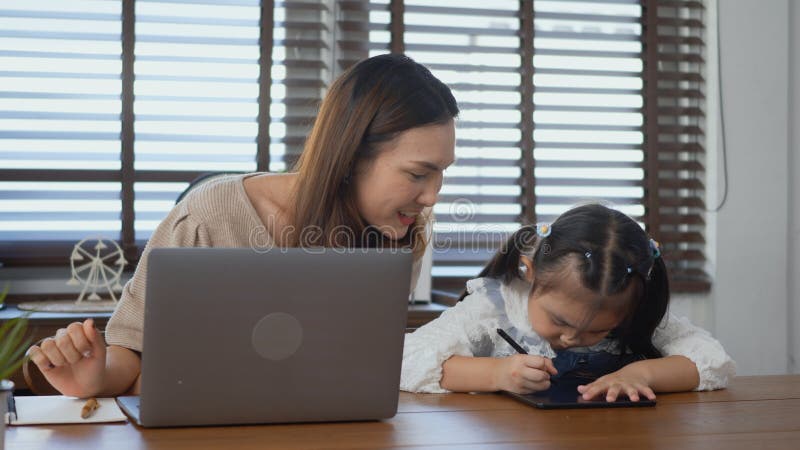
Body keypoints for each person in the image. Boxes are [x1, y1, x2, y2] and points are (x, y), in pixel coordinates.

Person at [26, 54, 459, 398]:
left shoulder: (402, 233)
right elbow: (133, 351)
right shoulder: (207, 217)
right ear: (350, 157)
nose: (432, 196)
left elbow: (358, 366)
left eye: (441, 173)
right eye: (418, 174)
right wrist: (97, 379)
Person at [401, 204, 735, 401]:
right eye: (560, 321)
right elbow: (404, 361)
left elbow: (711, 360)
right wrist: (496, 374)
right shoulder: (496, 307)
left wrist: (643, 373)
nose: (572, 338)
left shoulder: (634, 310)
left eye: (598, 331)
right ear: (530, 273)